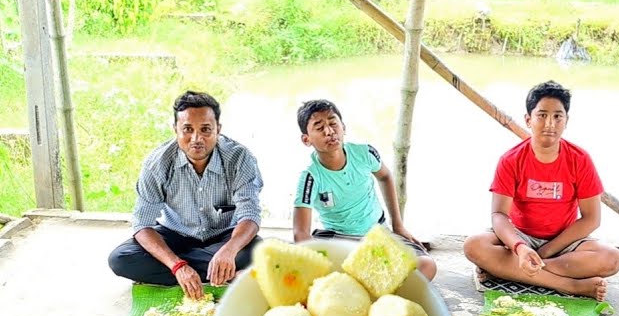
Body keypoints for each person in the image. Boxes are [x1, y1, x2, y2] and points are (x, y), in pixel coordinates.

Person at [463, 80, 619, 300]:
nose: (550, 123)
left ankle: (509, 270)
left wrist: (544, 252)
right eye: (542, 115)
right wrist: (519, 248)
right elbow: (499, 215)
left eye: (558, 116)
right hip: (520, 238)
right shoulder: (511, 160)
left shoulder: (580, 160)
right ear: (528, 120)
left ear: (567, 121)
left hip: (563, 242)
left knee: (612, 259)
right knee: (474, 246)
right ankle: (571, 286)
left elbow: (591, 219)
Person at [108, 90, 263, 300]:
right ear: (175, 130)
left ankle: (215, 267)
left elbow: (250, 216)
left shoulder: (240, 158)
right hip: (175, 234)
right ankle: (220, 273)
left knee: (257, 251)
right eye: (187, 129)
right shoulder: (157, 163)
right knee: (121, 259)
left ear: (218, 129)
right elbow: (142, 224)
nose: (196, 139)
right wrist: (177, 264)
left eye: (206, 130)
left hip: (225, 235)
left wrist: (228, 251)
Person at [292, 99, 437, 279]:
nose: (329, 131)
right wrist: (318, 264)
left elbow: (385, 176)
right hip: (338, 239)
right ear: (306, 139)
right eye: (319, 128)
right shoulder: (310, 177)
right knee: (319, 278)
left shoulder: (365, 153)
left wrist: (398, 225)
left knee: (426, 266)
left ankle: (377, 294)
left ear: (343, 127)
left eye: (332, 123)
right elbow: (301, 232)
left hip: (378, 233)